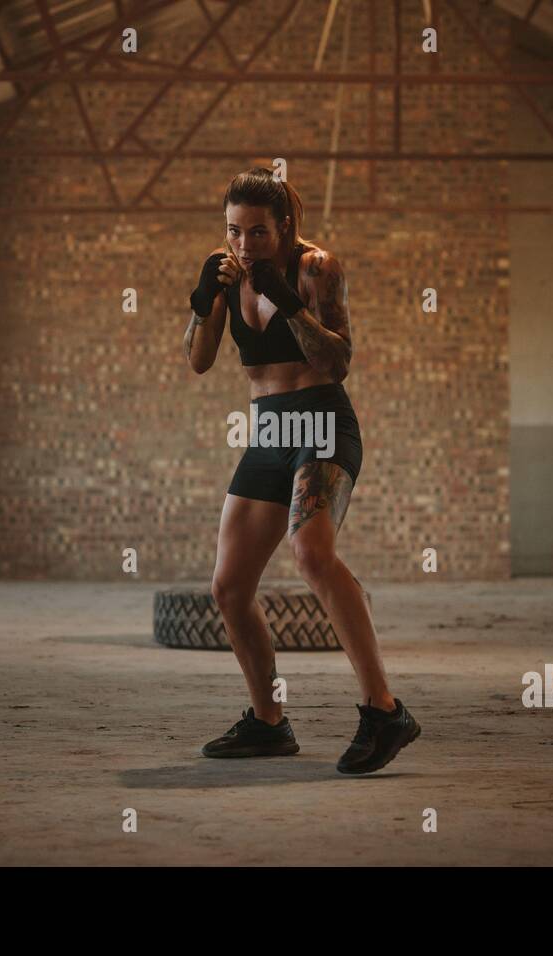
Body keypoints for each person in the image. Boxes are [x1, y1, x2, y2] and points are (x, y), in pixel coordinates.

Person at [182, 167, 420, 774]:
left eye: (257, 233)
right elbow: (201, 361)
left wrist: (290, 307)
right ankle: (268, 722)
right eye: (234, 232)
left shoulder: (315, 269)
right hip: (268, 431)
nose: (244, 245)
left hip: (320, 422)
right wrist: (204, 300)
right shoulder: (227, 268)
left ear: (285, 227)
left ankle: (383, 710)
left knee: (311, 552)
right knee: (229, 586)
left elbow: (337, 361)